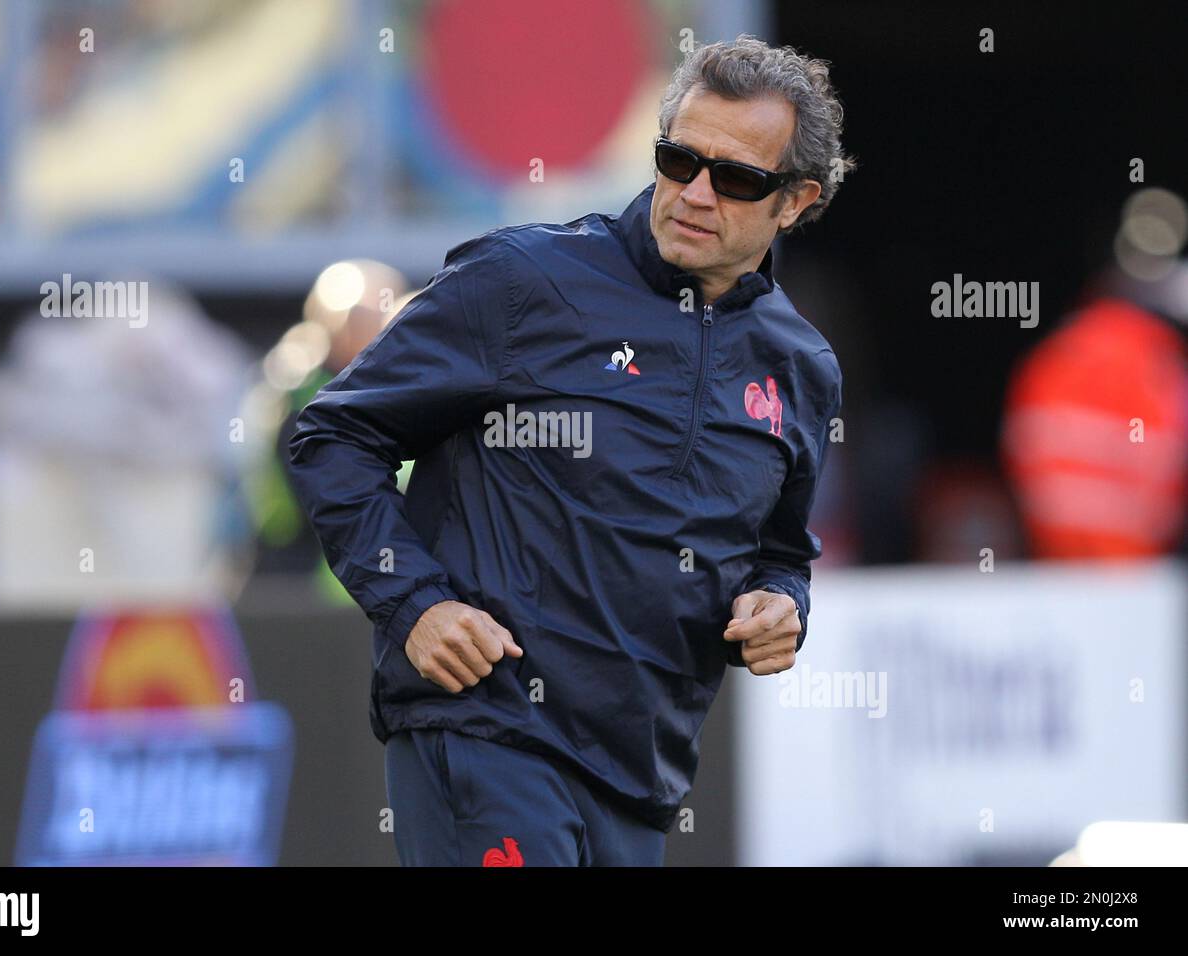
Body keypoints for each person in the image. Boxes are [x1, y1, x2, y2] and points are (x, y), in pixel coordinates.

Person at [288, 36, 851, 866]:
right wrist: (413, 604)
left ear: (795, 201)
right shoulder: (523, 280)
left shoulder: (799, 366)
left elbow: (779, 551)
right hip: (488, 730)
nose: (695, 194)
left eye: (735, 178)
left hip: (641, 776)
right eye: (677, 160)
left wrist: (781, 605)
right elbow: (333, 434)